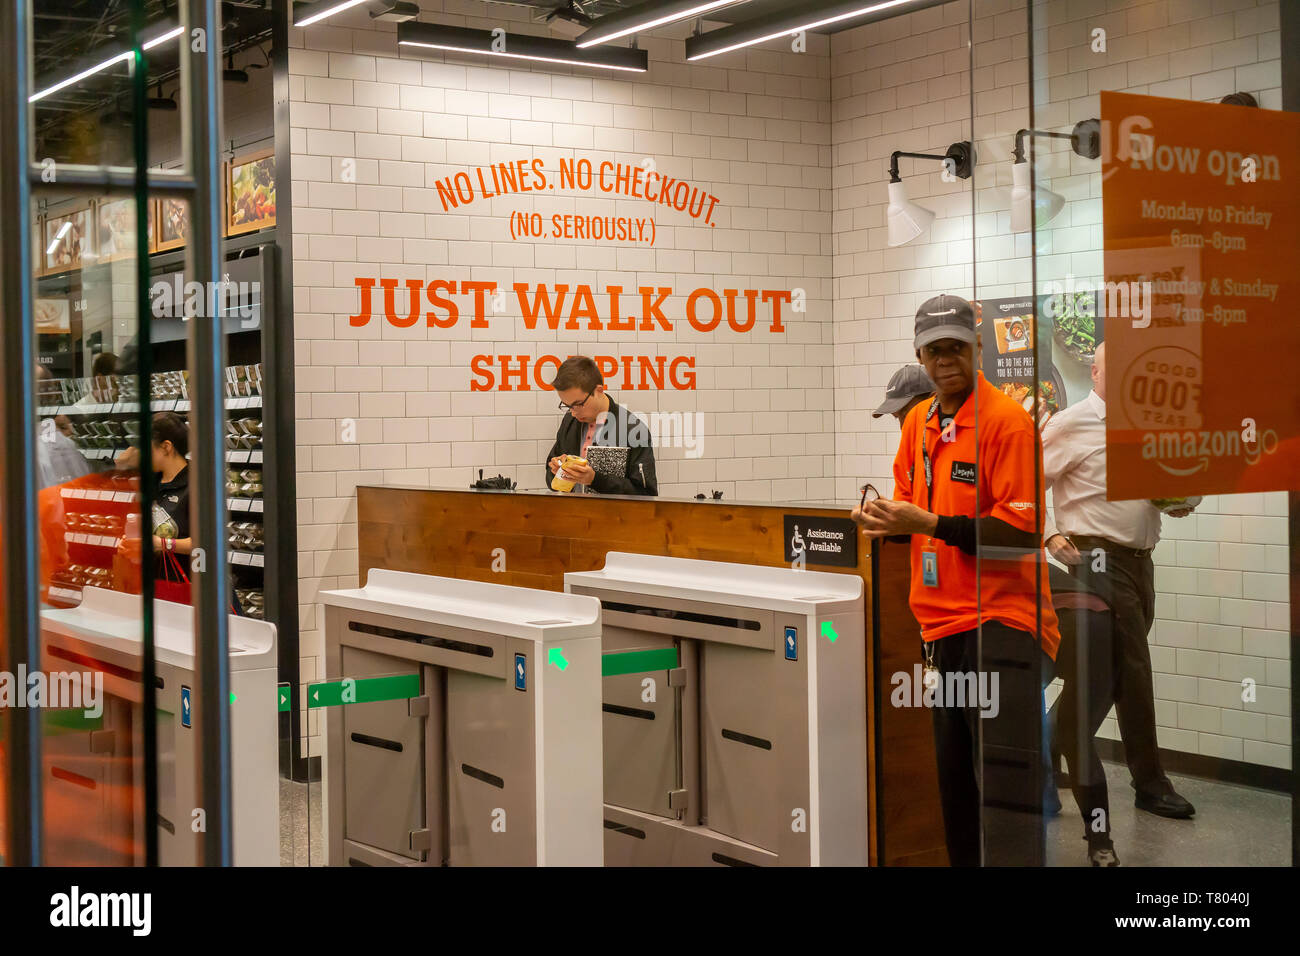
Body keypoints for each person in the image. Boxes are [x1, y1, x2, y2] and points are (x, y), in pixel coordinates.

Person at [852, 294, 1060, 867]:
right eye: (935, 349)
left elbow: (1021, 532)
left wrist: (929, 522)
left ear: (978, 348)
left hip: (1002, 626)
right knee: (956, 789)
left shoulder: (1007, 424)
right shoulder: (919, 422)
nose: (947, 360)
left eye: (957, 348)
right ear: (919, 354)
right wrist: (885, 524)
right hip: (941, 627)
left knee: (1004, 793)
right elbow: (914, 509)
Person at [1042, 342, 1197, 824]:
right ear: (1096, 372)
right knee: (1134, 667)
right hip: (1096, 560)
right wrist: (1047, 534)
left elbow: (1177, 485)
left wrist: (1181, 499)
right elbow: (1021, 483)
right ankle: (1150, 783)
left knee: (1108, 676)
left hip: (1140, 561)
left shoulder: (1147, 426)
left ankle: (1045, 750)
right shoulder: (1070, 424)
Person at [544, 356, 658, 496]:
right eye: (567, 406)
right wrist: (556, 470)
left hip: (615, 517)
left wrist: (595, 480)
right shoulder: (570, 421)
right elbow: (550, 480)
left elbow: (646, 494)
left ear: (598, 390)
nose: (573, 413)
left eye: (578, 404)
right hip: (573, 514)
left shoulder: (633, 429)